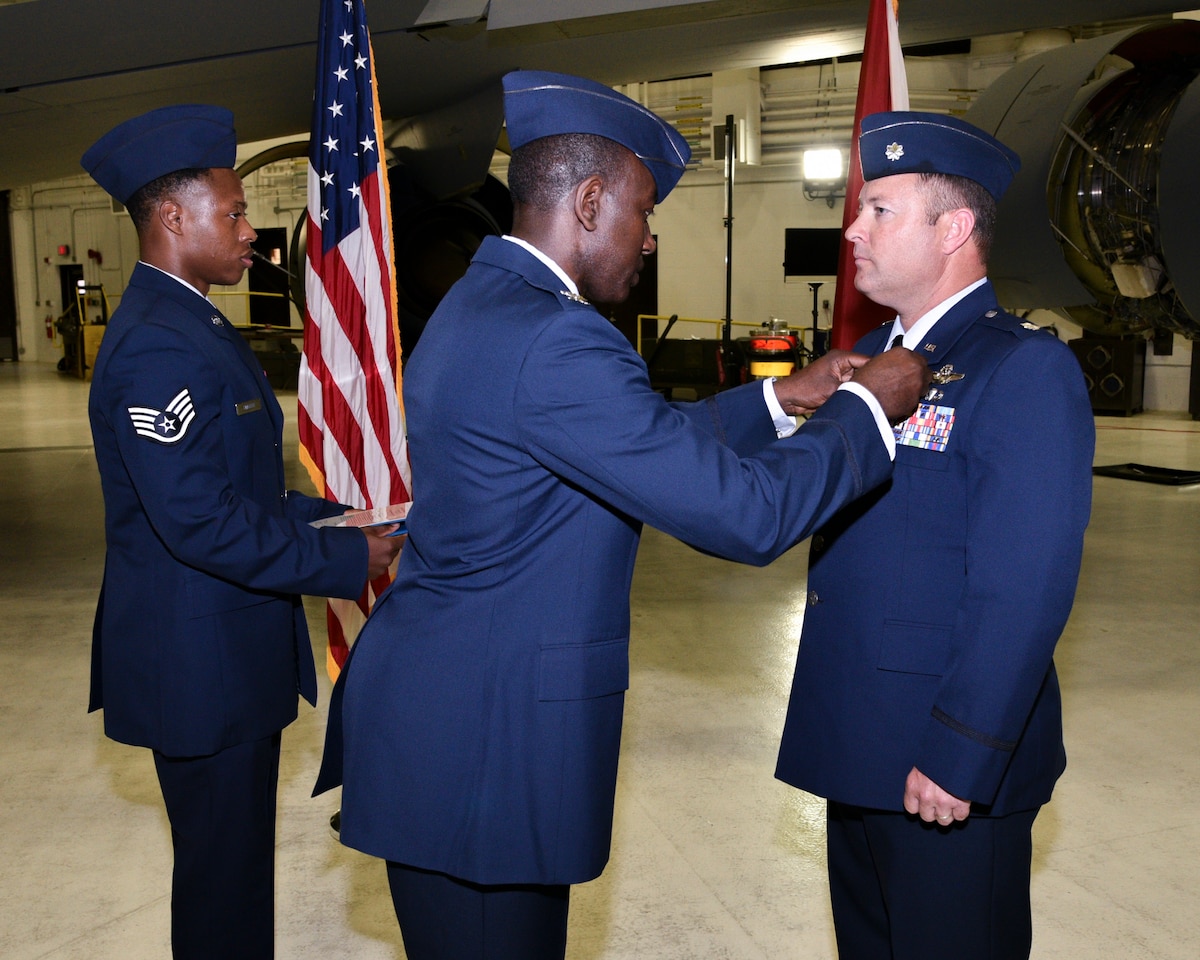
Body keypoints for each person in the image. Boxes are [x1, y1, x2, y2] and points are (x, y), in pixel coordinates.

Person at [314, 70, 929, 960]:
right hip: (486, 749)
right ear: (591, 202)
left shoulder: (489, 302)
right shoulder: (557, 339)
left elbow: (623, 442)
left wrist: (782, 398)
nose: (648, 238)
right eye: (643, 211)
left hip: (452, 714)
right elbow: (746, 515)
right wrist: (867, 412)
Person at [80, 105, 401, 960]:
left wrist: (339, 517)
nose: (250, 230)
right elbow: (201, 523)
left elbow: (236, 491)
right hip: (200, 671)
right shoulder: (157, 346)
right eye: (233, 213)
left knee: (234, 879)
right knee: (223, 890)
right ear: (173, 218)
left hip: (222, 659)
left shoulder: (193, 323)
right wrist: (344, 557)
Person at [774, 111, 1095, 960]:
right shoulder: (867, 359)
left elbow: (1023, 586)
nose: (853, 229)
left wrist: (963, 751)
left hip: (944, 764)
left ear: (952, 230)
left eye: (879, 209)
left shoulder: (1021, 367)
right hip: (859, 744)